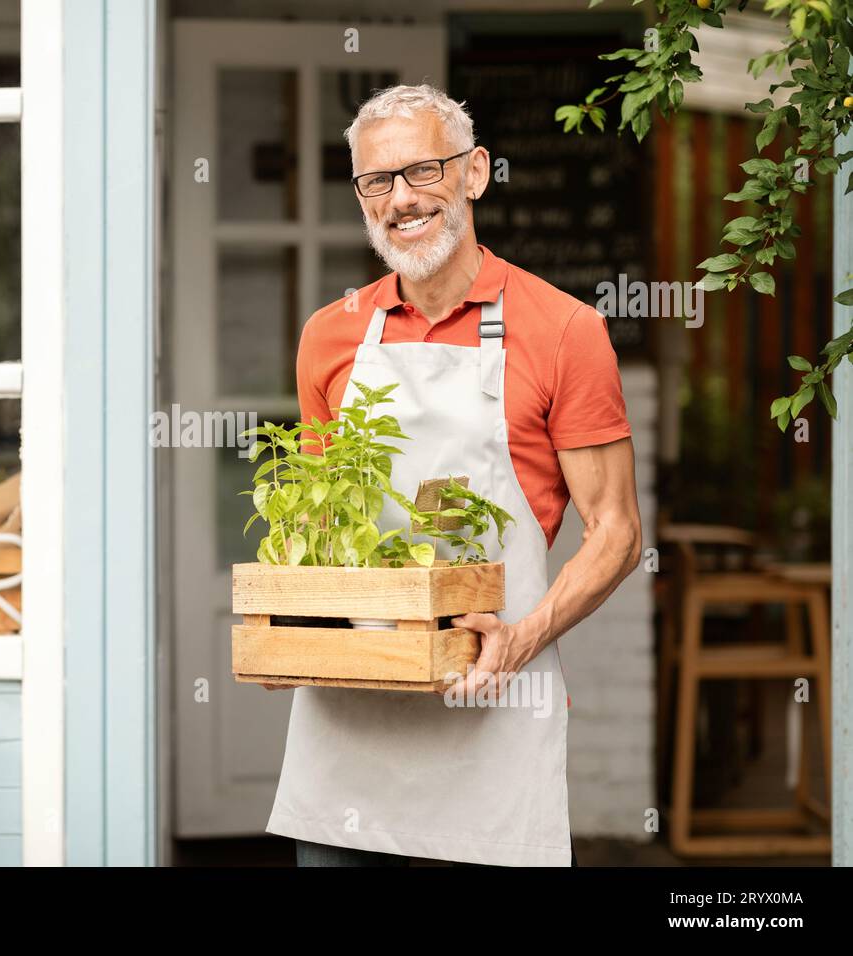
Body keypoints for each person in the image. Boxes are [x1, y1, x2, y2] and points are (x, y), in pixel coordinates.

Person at [264, 84, 642, 868]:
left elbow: (617, 532)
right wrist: (290, 632)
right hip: (349, 735)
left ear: (474, 173)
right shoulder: (329, 336)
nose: (401, 200)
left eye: (423, 171)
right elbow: (315, 526)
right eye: (378, 181)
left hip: (492, 717)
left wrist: (522, 639)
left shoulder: (565, 331)